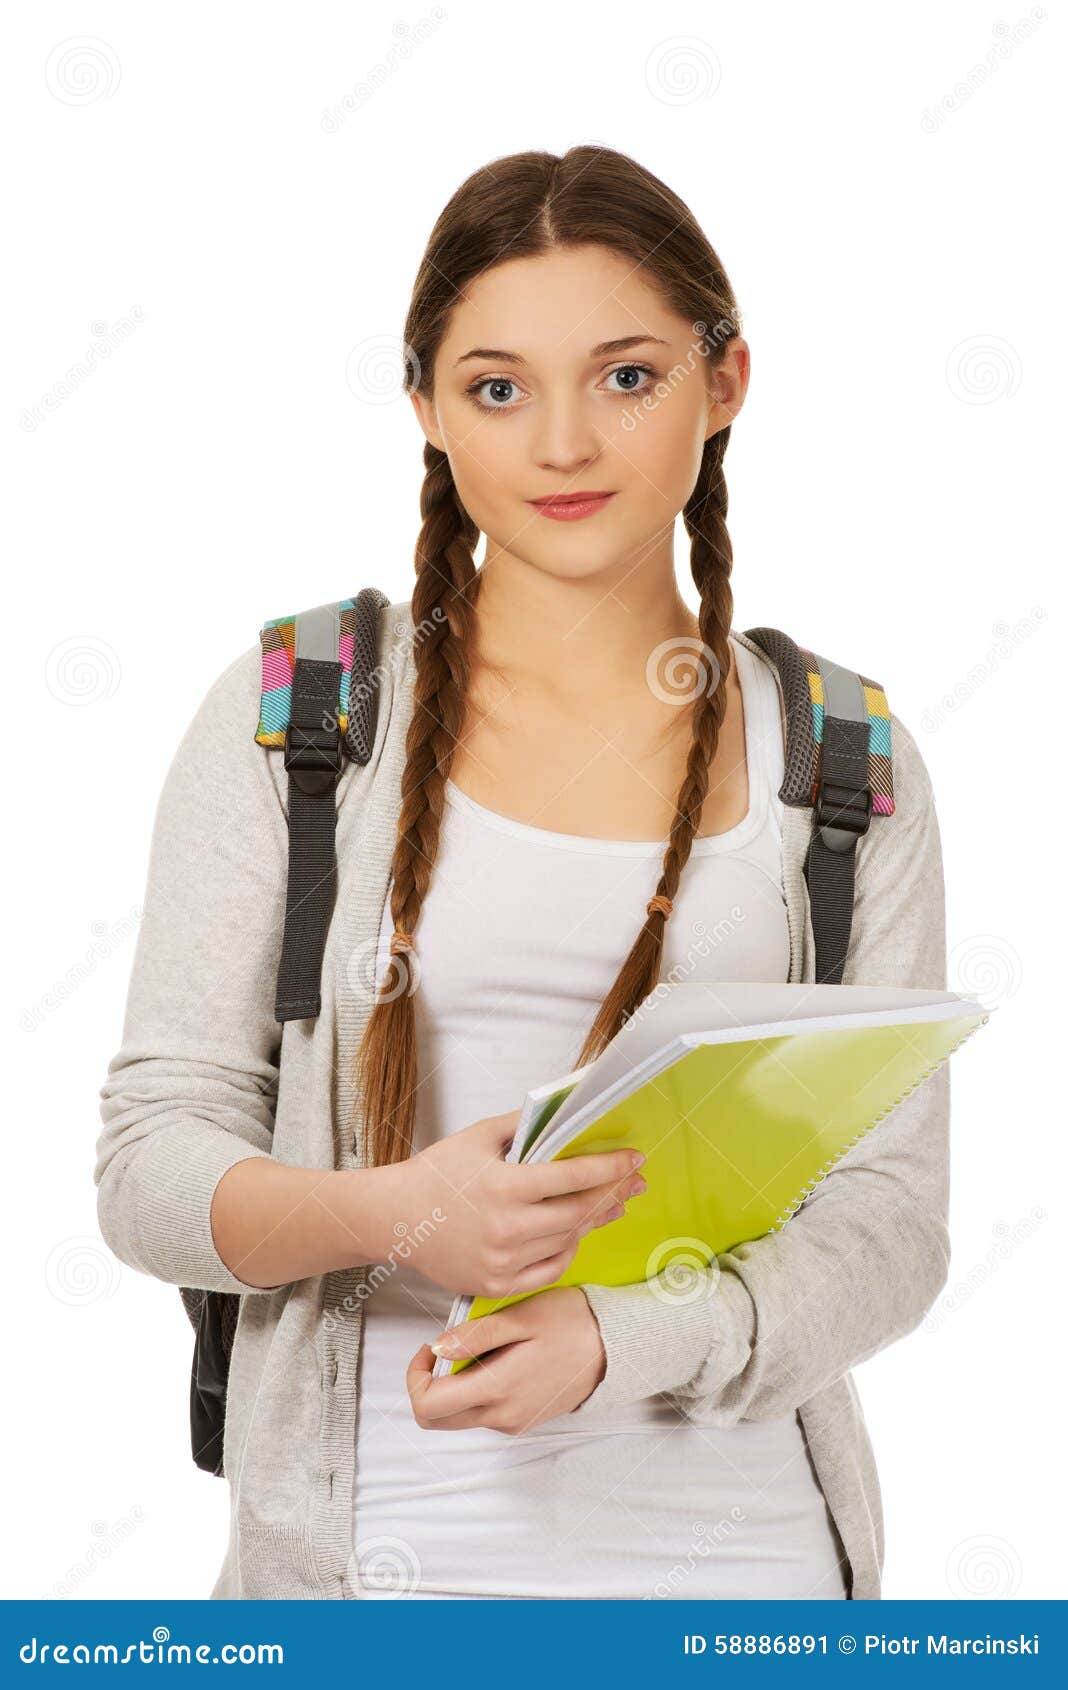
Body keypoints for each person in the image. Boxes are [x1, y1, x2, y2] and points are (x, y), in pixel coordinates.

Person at [95, 146, 950, 1601]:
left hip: (749, 1584)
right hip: (365, 1587)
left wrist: (622, 1339)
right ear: (425, 408)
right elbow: (149, 1165)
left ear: (725, 382)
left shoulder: (843, 755)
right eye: (498, 387)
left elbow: (892, 1223)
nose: (563, 443)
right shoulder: (308, 711)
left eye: (627, 376)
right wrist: (400, 1213)